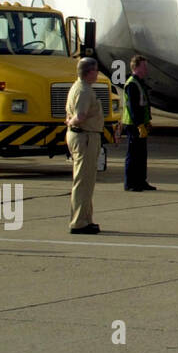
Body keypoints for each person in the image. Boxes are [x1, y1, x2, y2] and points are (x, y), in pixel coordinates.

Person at [64, 57, 105, 233]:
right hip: (85, 138)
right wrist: (71, 122)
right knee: (83, 181)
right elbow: (80, 116)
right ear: (89, 72)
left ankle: (86, 218)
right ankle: (79, 222)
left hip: (84, 137)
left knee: (87, 181)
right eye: (96, 70)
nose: (97, 73)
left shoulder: (78, 87)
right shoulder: (84, 91)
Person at [122, 54, 156, 192]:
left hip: (141, 123)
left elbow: (144, 105)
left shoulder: (140, 83)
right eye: (144, 66)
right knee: (133, 155)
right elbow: (133, 107)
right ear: (136, 68)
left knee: (141, 155)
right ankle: (130, 183)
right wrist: (139, 124)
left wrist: (147, 122)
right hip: (133, 125)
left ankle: (141, 181)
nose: (146, 69)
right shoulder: (132, 84)